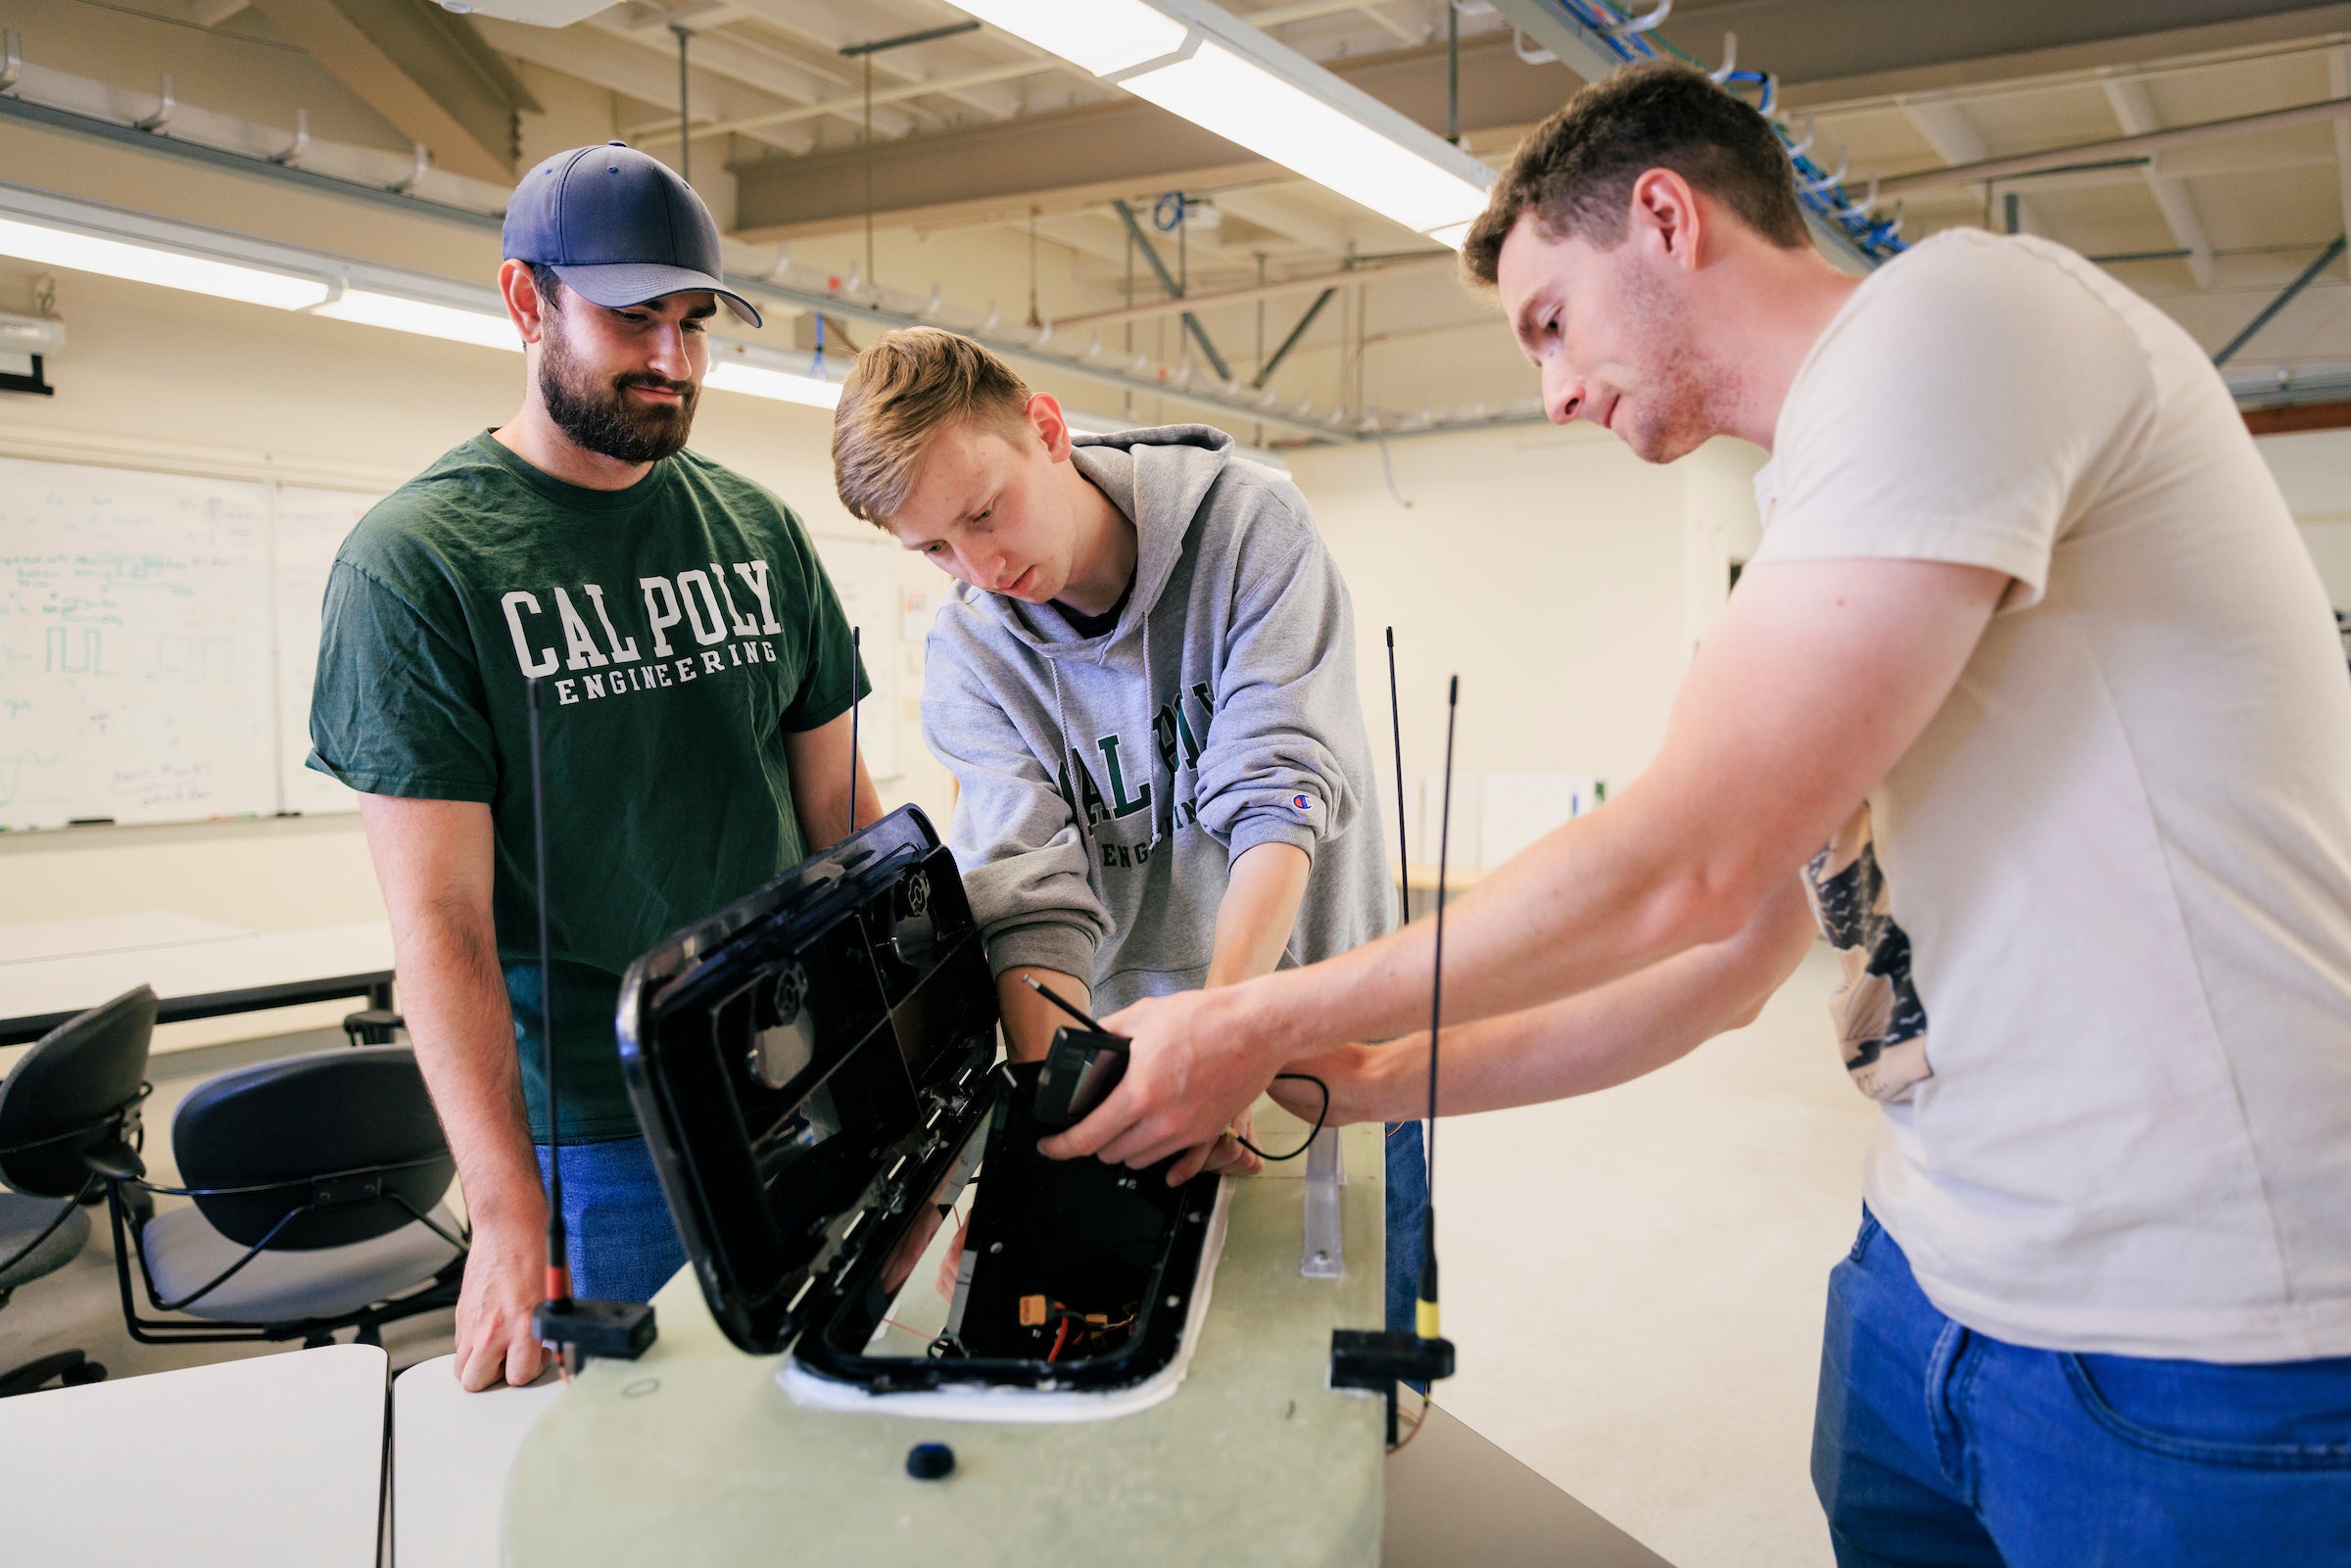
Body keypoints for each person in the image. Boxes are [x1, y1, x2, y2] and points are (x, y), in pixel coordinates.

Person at [1045, 62, 2351, 1564]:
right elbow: (1722, 968)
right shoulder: (1823, 514)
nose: (1553, 390)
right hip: (1932, 1267)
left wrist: (1247, 1021)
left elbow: (1690, 862)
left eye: (1552, 321)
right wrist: (1367, 1081)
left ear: (1665, 218)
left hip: (2204, 1332)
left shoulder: (1960, 316)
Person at [309, 143, 877, 1393]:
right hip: (604, 1137)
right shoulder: (417, 565)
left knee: (823, 1422)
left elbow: (842, 822)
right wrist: (506, 1210)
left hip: (798, 1084)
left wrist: (888, 1051)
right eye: (632, 317)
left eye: (694, 321)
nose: (674, 358)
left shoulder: (761, 532)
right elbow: (441, 926)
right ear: (528, 302)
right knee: (632, 1458)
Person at [830, 327, 1429, 1334]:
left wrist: (1226, 1039)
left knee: (1357, 1360)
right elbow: (1029, 898)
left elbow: (1276, 798)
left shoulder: (1249, 527)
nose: (981, 566)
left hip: (1327, 1040)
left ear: (1047, 430)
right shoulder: (971, 655)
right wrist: (1058, 1132)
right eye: (934, 548)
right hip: (1135, 1075)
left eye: (984, 511)